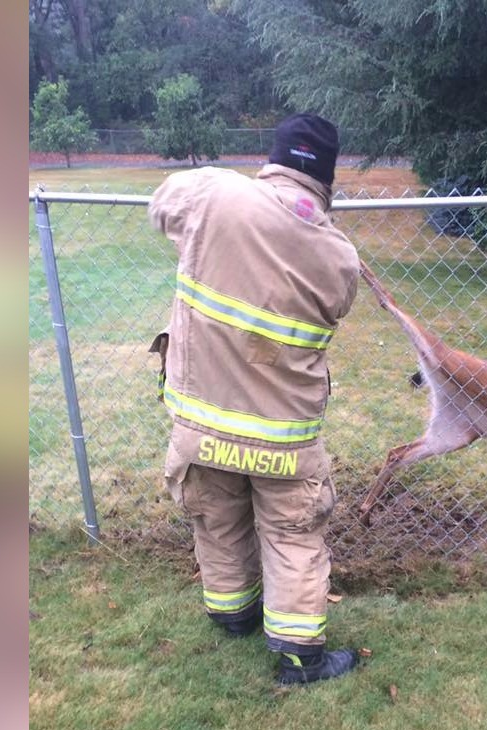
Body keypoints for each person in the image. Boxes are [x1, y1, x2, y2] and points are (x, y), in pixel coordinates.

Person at [148, 113, 364, 685]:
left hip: (203, 425)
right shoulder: (339, 257)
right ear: (328, 177)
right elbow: (336, 305)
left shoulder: (213, 196)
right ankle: (298, 657)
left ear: (273, 158)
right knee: (293, 535)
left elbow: (160, 209)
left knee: (216, 521)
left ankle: (232, 614)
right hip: (283, 439)